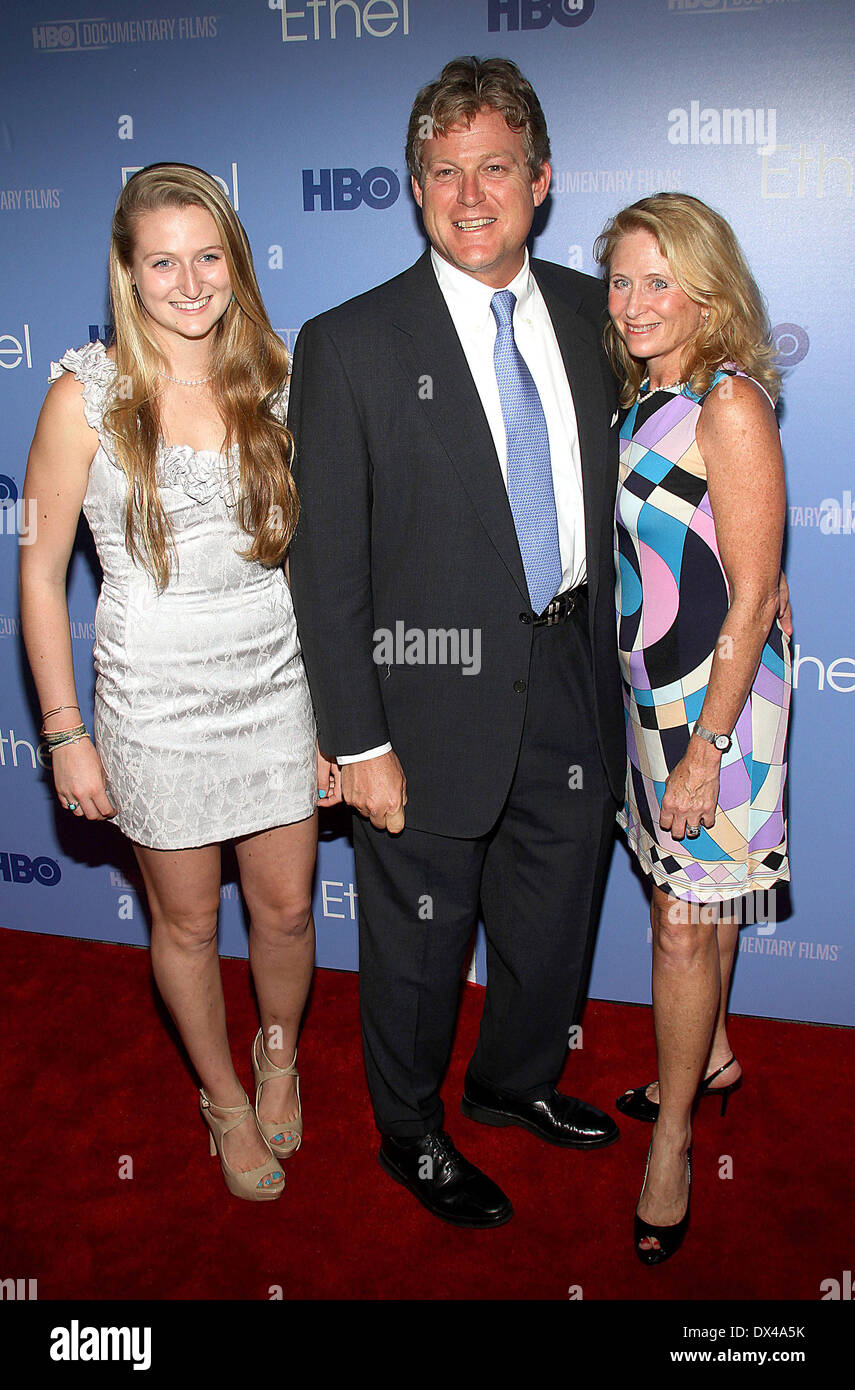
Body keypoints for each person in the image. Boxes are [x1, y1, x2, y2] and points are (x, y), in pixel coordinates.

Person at [287, 57, 626, 1229]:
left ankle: (515, 1083)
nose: (470, 194)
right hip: (425, 698)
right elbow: (324, 566)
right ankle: (412, 1130)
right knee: (422, 943)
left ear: (541, 180)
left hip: (577, 674)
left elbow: (687, 445)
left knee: (550, 913)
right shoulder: (350, 344)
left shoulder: (598, 316)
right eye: (445, 171)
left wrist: (756, 561)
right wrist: (356, 736)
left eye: (494, 168)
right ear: (416, 186)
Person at [19, 163, 341, 1203]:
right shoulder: (86, 394)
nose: (190, 280)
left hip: (274, 679)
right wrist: (66, 733)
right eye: (163, 260)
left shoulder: (278, 377)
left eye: (208, 256)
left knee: (287, 912)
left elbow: (324, 561)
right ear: (128, 270)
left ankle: (278, 1050)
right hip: (153, 698)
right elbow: (37, 567)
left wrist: (342, 719)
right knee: (191, 924)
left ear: (236, 262)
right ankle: (221, 1097)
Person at [594, 192, 792, 1262]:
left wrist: (709, 747)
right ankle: (708, 1054)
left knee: (680, 918)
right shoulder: (643, 400)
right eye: (622, 280)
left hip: (718, 706)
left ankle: (670, 1141)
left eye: (659, 280)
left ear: (709, 291)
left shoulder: (727, 402)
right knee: (696, 899)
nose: (634, 301)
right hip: (654, 691)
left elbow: (753, 600)